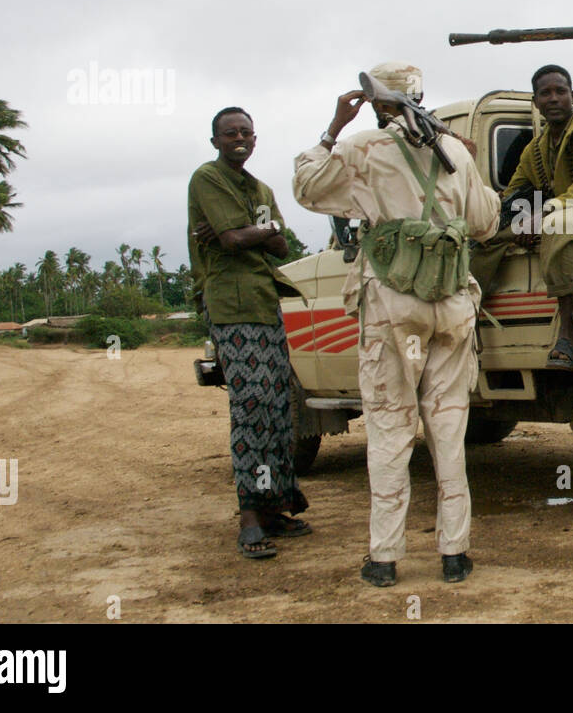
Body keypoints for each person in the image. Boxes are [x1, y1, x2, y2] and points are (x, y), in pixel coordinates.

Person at [291, 63, 499, 587]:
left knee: (389, 427)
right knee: (448, 427)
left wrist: (331, 130)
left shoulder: (363, 148)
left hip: (393, 306)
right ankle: (455, 554)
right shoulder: (455, 153)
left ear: (377, 103)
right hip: (451, 304)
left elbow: (307, 188)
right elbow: (484, 222)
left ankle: (385, 560)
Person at [188, 106, 310, 560]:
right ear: (216, 140)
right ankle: (249, 518)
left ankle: (276, 507)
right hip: (231, 306)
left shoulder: (261, 188)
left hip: (264, 302)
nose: (239, 138)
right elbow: (231, 241)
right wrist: (253, 231)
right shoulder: (207, 178)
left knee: (279, 406)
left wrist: (252, 230)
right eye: (230, 133)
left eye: (246, 132)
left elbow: (281, 244)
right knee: (250, 406)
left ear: (254, 139)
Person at [471, 64, 573, 371]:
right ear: (535, 102)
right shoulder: (537, 148)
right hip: (562, 210)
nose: (554, 98)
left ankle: (567, 333)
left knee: (560, 222)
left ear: (572, 95)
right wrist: (511, 217)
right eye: (546, 93)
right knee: (486, 232)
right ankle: (469, 319)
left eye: (560, 91)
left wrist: (541, 214)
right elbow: (516, 188)